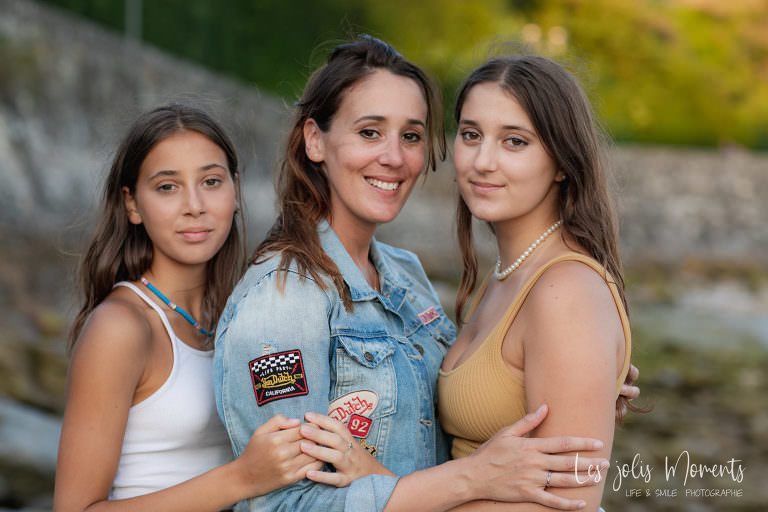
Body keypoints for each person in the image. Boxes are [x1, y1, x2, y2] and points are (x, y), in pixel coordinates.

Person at [214, 36, 620, 512]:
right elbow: (283, 504)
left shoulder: (405, 275)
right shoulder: (282, 299)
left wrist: (586, 374)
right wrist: (465, 478)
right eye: (370, 132)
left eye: (410, 136)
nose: (393, 156)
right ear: (314, 140)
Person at [54, 104, 321, 512]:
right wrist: (242, 478)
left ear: (235, 190)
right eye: (167, 187)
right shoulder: (120, 326)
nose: (194, 205)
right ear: (132, 205)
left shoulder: (242, 316)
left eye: (211, 181)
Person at [436, 55, 634, 511]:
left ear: (562, 162)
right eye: (471, 135)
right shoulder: (507, 274)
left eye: (515, 141)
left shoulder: (565, 292)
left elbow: (571, 503)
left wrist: (388, 492)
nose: (482, 161)